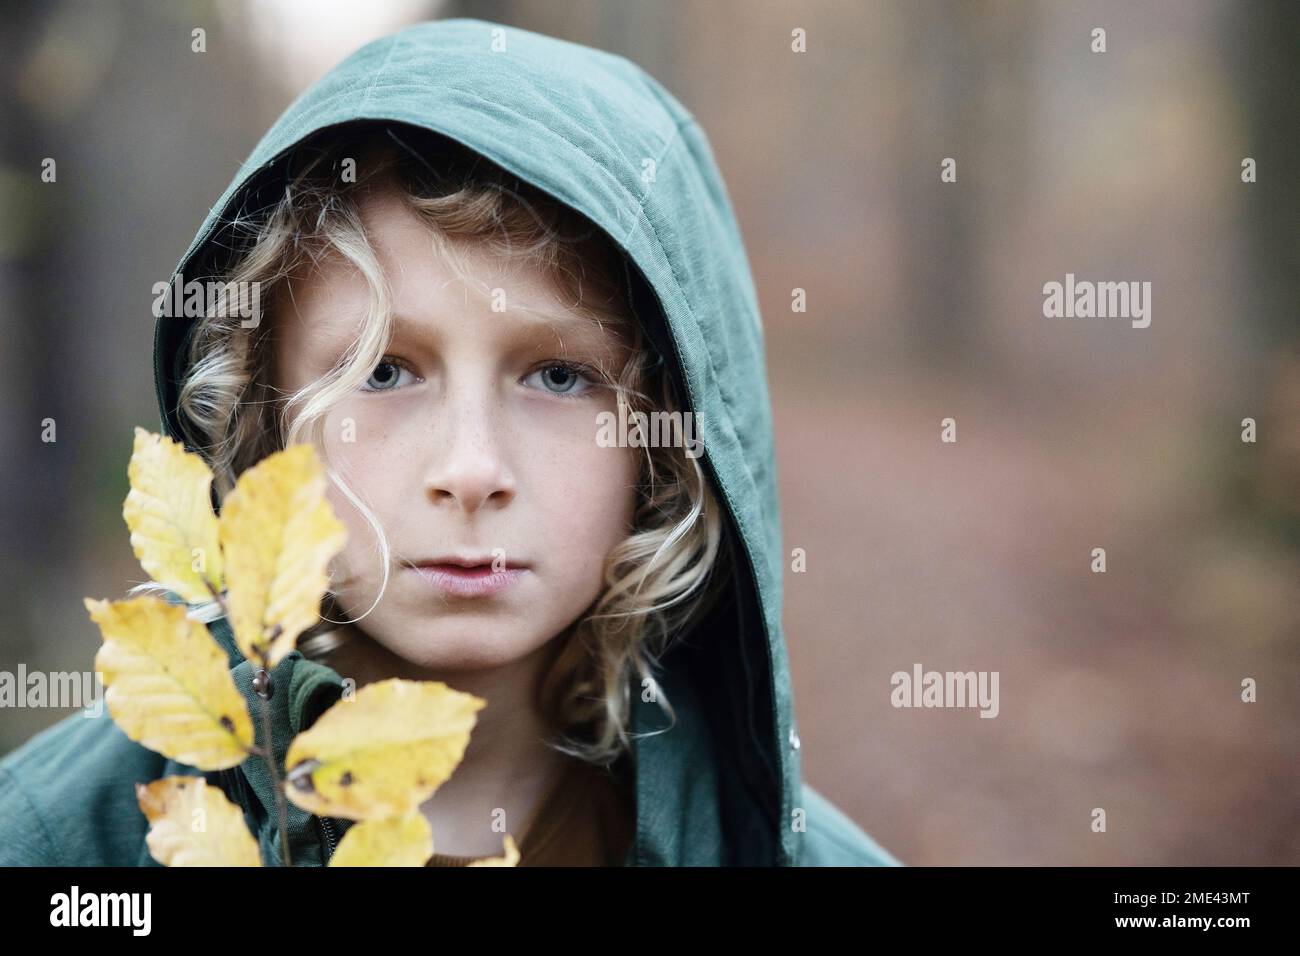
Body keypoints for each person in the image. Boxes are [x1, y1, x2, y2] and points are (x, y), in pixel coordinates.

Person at [0, 17, 899, 867]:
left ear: (661, 445)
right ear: (262, 421)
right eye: (385, 372)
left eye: (557, 376)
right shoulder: (59, 846)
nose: (471, 472)